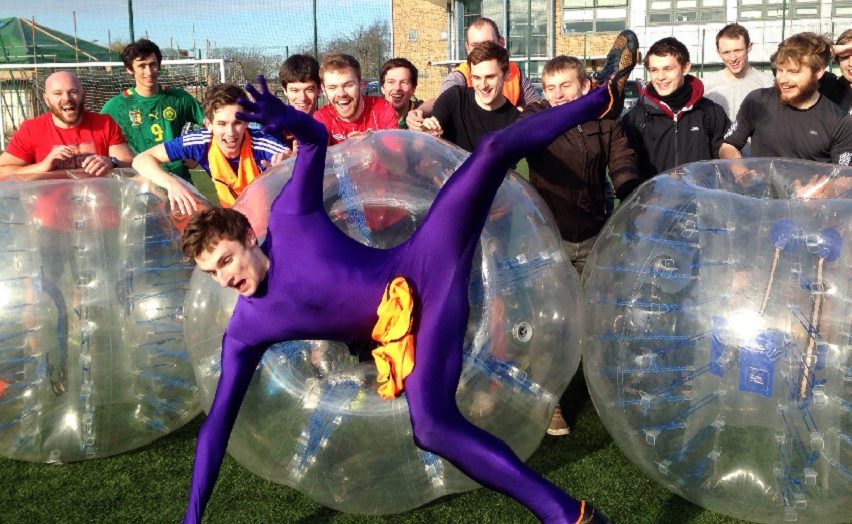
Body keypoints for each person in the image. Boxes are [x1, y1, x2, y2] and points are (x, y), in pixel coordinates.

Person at [180, 28, 637, 523]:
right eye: (211, 272)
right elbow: (216, 427)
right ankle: (576, 516)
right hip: (409, 329)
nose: (223, 277)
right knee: (432, 428)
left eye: (224, 260)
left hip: (422, 265)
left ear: (247, 236)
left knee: (489, 153)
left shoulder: (290, 217)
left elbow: (314, 140)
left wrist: (289, 118)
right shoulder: (247, 330)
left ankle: (602, 97)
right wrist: (192, 516)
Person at [520, 53, 641, 436]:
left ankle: (609, 394)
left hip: (593, 236)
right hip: (548, 239)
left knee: (598, 320)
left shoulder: (606, 124)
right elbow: (520, 132)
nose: (557, 95)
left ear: (585, 86)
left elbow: (623, 165)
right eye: (550, 87)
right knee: (549, 325)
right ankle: (550, 402)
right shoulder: (537, 116)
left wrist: (630, 192)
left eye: (565, 86)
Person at [132, 84, 289, 212]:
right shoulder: (201, 142)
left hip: (272, 219)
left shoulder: (262, 145)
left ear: (247, 121)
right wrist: (172, 184)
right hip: (235, 220)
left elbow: (294, 163)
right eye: (222, 124)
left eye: (237, 122)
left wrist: (289, 164)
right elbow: (141, 160)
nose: (230, 132)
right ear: (209, 124)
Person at [721, 32, 852, 165]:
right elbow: (728, 146)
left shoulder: (840, 122)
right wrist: (741, 172)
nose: (783, 79)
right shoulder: (758, 101)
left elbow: (844, 175)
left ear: (818, 72)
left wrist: (820, 186)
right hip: (760, 186)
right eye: (780, 70)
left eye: (793, 72)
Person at [406, 17, 541, 131]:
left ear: (501, 43)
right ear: (467, 47)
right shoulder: (459, 77)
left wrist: (523, 112)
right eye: (475, 45)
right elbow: (442, 102)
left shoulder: (514, 71)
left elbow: (536, 104)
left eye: (488, 43)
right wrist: (421, 111)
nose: (483, 50)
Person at [622, 37, 729, 180]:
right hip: (655, 201)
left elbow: (725, 159)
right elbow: (627, 167)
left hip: (700, 200)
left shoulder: (710, 112)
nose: (660, 77)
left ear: (685, 68)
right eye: (654, 70)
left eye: (668, 69)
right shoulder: (635, 118)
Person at [101, 39, 204, 183]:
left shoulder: (178, 98)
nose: (149, 72)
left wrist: (197, 152)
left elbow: (212, 123)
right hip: (138, 183)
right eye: (142, 66)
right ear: (129, 69)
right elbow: (98, 138)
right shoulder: (116, 106)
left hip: (178, 179)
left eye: (153, 65)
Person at [0, 71, 133, 177]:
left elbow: (130, 163)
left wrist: (112, 162)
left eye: (73, 92)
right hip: (50, 209)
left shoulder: (104, 123)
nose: (67, 99)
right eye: (58, 93)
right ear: (47, 100)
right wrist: (42, 166)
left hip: (96, 206)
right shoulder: (31, 129)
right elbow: (3, 171)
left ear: (83, 95)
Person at [420, 41, 520, 151]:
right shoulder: (455, 98)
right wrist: (428, 131)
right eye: (476, 78)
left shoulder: (515, 121)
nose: (483, 85)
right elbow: (429, 133)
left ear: (506, 75)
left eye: (490, 77)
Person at [313, 53, 398, 145]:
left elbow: (397, 155)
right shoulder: (322, 117)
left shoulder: (383, 109)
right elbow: (316, 154)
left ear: (361, 85)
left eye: (348, 85)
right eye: (332, 88)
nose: (341, 94)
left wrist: (372, 144)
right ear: (324, 91)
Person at [703, 24, 775, 123]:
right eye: (726, 52)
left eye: (737, 50)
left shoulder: (768, 85)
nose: (733, 58)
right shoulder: (705, 87)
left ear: (749, 47)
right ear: (718, 52)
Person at [380, 57, 422, 129]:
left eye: (403, 82)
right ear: (382, 88)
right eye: (391, 82)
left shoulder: (422, 116)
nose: (397, 88)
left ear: (413, 88)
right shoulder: (371, 116)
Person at [819, 29, 852, 114]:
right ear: (837, 60)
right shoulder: (827, 87)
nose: (851, 63)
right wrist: (831, 50)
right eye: (845, 57)